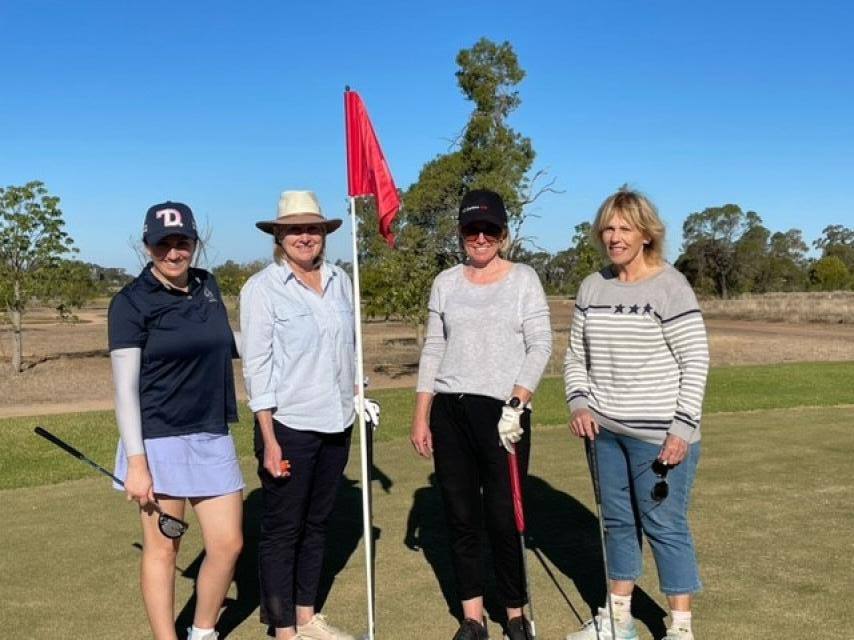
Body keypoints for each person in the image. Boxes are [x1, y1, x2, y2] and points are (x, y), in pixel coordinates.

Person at [563, 188, 710, 640]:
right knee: (618, 524)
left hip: (661, 436)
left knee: (665, 525)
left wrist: (682, 430)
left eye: (625, 227)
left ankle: (681, 628)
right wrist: (579, 401)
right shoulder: (593, 286)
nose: (614, 236)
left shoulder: (670, 286)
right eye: (608, 227)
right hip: (605, 431)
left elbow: (696, 359)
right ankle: (618, 619)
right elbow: (575, 356)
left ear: (646, 234)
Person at [411, 189, 553, 640]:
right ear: (460, 233)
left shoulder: (523, 279)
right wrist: (421, 413)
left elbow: (540, 345)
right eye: (471, 229)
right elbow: (434, 348)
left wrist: (517, 402)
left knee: (503, 516)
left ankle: (514, 613)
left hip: (503, 414)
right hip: (449, 412)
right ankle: (473, 618)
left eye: (489, 229)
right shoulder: (445, 283)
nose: (480, 237)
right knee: (460, 515)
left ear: (504, 235)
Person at [109, 201, 244, 640]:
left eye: (181, 242)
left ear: (194, 243)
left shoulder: (208, 285)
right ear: (146, 245)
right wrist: (136, 462)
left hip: (211, 431)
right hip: (158, 438)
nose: (173, 252)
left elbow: (224, 342)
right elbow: (125, 389)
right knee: (165, 548)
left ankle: (202, 632)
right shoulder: (130, 303)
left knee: (228, 544)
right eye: (162, 244)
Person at [240, 191, 357, 640]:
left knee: (318, 523)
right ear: (279, 236)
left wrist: (357, 391)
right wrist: (269, 439)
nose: (305, 237)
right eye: (294, 230)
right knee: (282, 529)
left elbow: (346, 349)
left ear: (324, 235)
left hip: (337, 422)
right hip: (288, 426)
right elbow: (258, 367)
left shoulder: (341, 280)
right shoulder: (262, 289)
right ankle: (283, 627)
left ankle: (307, 617)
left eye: (312, 229)